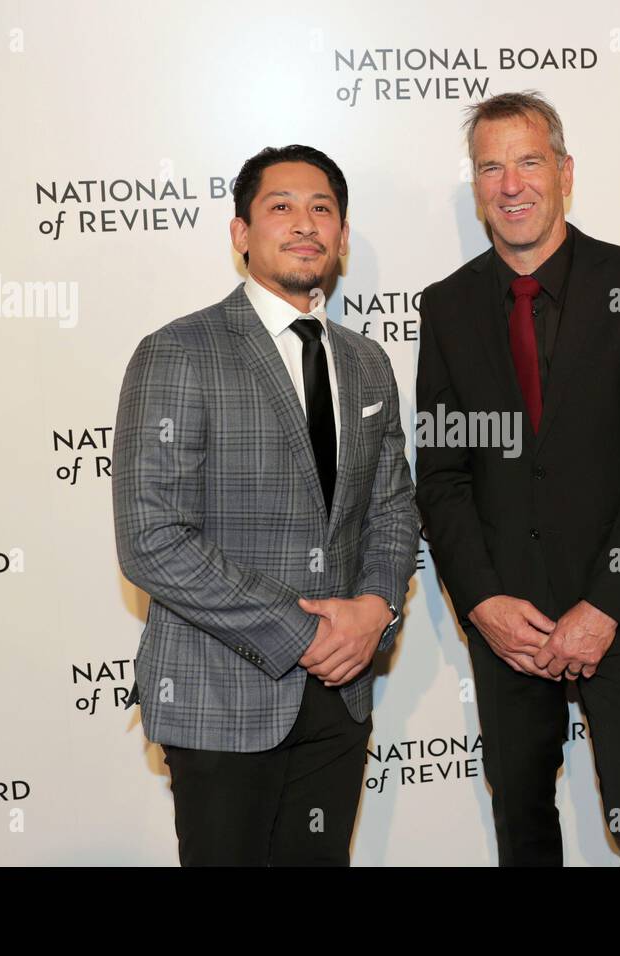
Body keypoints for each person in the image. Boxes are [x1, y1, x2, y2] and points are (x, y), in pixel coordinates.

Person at [112, 145, 420, 866]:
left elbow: (394, 506)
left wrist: (377, 605)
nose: (303, 223)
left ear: (342, 236)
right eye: (280, 207)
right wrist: (300, 632)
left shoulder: (366, 361)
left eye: (322, 209)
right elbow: (151, 537)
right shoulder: (179, 352)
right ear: (241, 233)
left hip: (340, 698)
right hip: (223, 700)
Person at [416, 91, 620, 866]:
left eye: (529, 161)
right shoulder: (446, 308)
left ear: (565, 172)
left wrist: (602, 608)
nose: (512, 185)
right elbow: (441, 476)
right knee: (522, 822)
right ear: (476, 186)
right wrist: (485, 604)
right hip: (506, 620)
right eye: (491, 167)